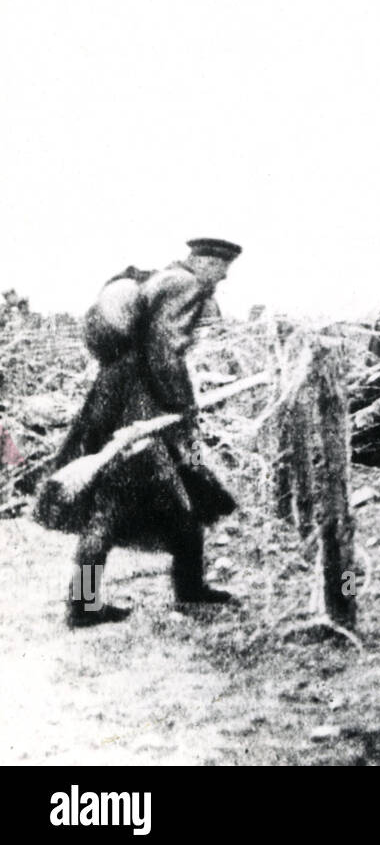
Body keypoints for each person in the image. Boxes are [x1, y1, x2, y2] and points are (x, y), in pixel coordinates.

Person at [36, 238, 244, 627]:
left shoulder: (162, 280)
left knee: (177, 493)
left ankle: (188, 588)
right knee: (113, 504)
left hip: (117, 398)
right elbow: (166, 349)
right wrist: (182, 406)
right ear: (202, 261)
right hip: (143, 407)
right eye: (220, 266)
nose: (224, 275)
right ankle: (86, 605)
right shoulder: (184, 285)